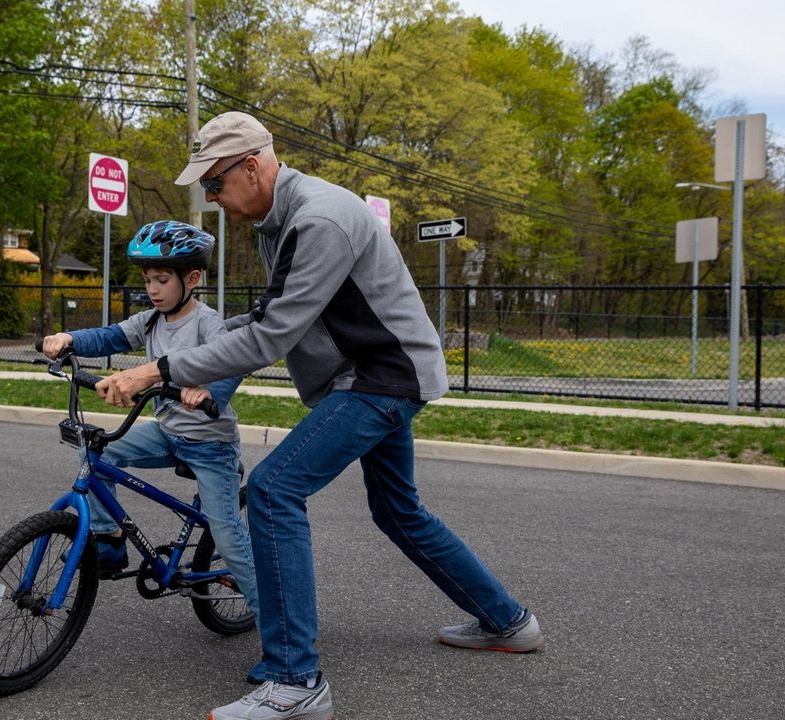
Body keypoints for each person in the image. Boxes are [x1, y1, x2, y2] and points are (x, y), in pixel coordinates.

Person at [94, 112, 544, 720]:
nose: (213, 199)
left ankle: (296, 681)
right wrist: (185, 361)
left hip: (383, 378)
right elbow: (264, 318)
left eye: (215, 184)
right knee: (398, 510)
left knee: (276, 490)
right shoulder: (276, 222)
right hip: (368, 375)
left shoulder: (319, 218)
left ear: (250, 166)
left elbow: (272, 336)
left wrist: (159, 370)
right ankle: (508, 621)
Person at [40, 219, 265, 682]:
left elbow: (232, 361)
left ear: (192, 279)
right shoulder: (151, 321)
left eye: (162, 280)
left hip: (210, 444)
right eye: (148, 280)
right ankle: (108, 541)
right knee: (98, 452)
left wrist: (207, 392)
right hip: (167, 432)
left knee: (227, 534)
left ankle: (279, 632)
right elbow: (110, 336)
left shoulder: (208, 323)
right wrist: (69, 339)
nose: (153, 289)